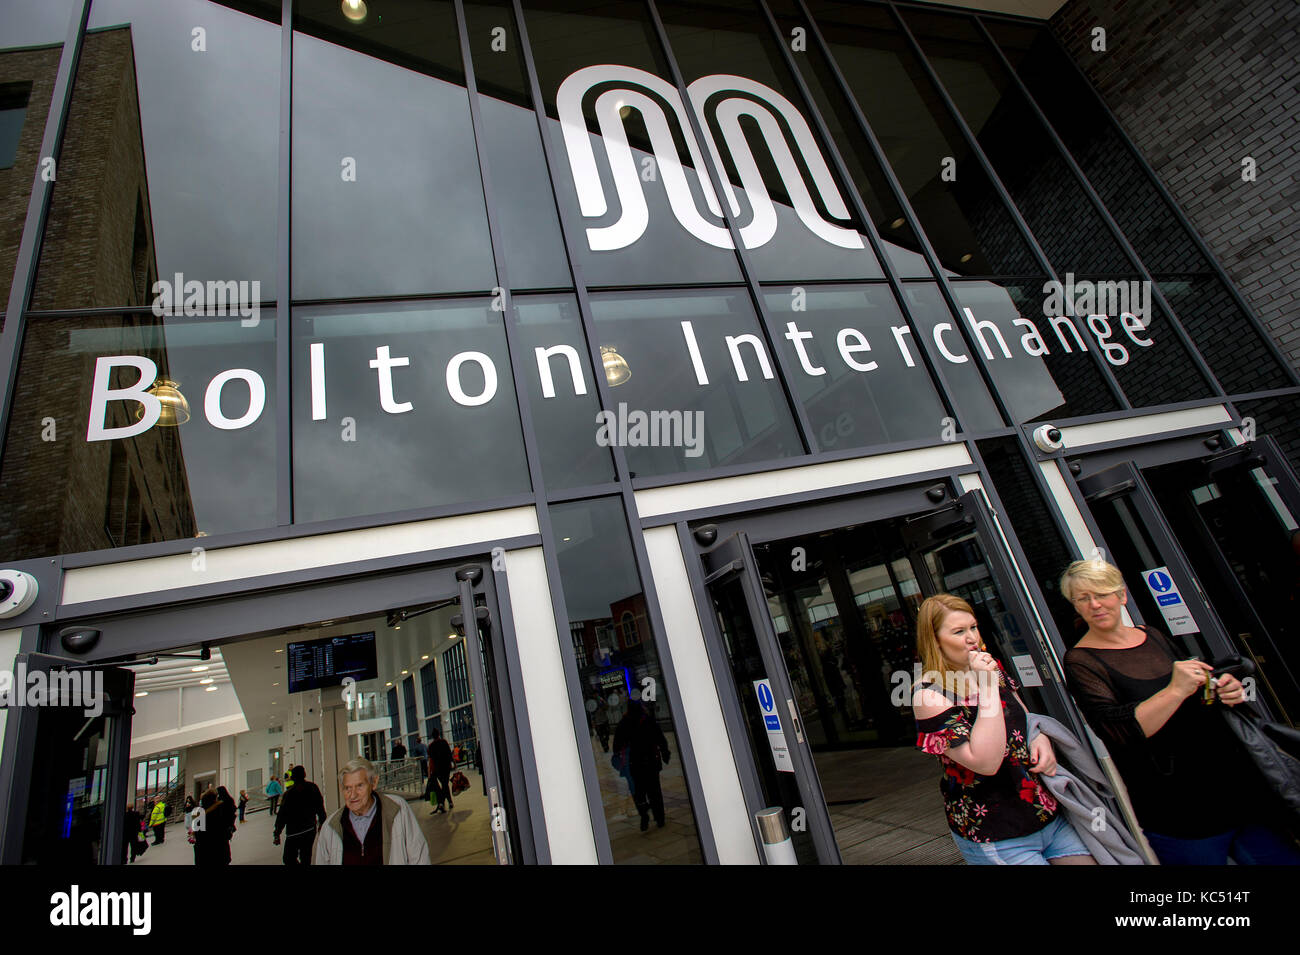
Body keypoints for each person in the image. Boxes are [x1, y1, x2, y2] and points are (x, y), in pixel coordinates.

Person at [1060, 559, 1300, 865]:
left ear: (1121, 595)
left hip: (1235, 790)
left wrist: (1226, 690)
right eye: (1083, 598)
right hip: (1178, 811)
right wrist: (1175, 690)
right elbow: (1117, 732)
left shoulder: (1154, 635)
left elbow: (1197, 694)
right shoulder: (1081, 661)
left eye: (1102, 593)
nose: (1095, 604)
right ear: (1075, 606)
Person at [913, 593, 1094, 865]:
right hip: (997, 830)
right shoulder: (929, 695)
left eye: (973, 627)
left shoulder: (989, 666)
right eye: (959, 631)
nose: (972, 637)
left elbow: (1022, 716)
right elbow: (985, 762)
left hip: (1045, 813)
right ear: (935, 640)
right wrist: (987, 687)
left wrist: (1039, 735)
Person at [314, 757, 431, 865]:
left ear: (374, 783)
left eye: (359, 786)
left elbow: (419, 856)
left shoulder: (397, 810)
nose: (353, 795)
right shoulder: (331, 827)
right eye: (347, 788)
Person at [612, 700, 672, 832]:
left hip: (635, 763)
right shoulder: (648, 720)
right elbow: (660, 737)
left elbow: (616, 746)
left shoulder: (624, 723)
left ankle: (644, 815)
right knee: (655, 790)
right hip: (651, 761)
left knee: (639, 791)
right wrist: (665, 752)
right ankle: (659, 818)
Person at [273, 765, 326, 865]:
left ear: (293, 778)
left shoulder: (288, 794)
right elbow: (320, 807)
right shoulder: (313, 787)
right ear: (304, 775)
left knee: (288, 858)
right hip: (309, 829)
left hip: (294, 832)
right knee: (306, 857)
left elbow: (282, 816)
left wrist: (277, 833)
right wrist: (322, 822)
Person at [426, 731, 454, 814]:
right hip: (446, 767)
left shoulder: (431, 746)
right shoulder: (444, 742)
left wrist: (429, 772)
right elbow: (449, 754)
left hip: (437, 769)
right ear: (439, 735)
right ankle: (445, 802)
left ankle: (444, 803)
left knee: (444, 785)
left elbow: (431, 760)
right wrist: (454, 763)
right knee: (445, 785)